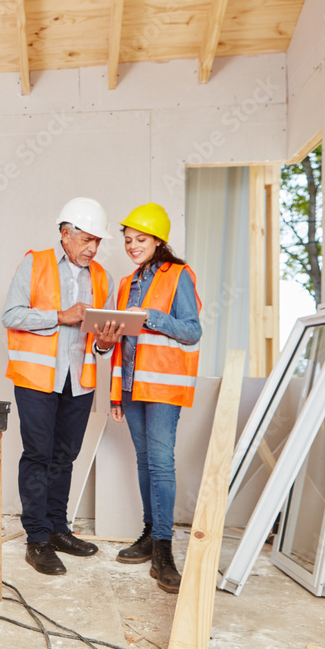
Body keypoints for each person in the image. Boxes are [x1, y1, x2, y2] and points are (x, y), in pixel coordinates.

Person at [2, 197, 123, 575]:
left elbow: (102, 345)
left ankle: (57, 529)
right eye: (86, 239)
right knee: (38, 456)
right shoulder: (34, 263)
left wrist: (105, 341)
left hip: (80, 380)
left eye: (97, 242)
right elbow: (10, 314)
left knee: (65, 457)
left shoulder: (102, 278)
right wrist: (60, 316)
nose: (92, 248)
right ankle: (36, 539)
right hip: (38, 379)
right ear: (65, 234)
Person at [109, 203, 202, 594]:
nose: (132, 246)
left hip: (163, 387)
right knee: (146, 463)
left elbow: (192, 331)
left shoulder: (178, 275)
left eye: (140, 239)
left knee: (162, 465)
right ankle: (149, 534)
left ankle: (164, 550)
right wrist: (116, 390)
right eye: (128, 240)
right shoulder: (125, 283)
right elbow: (121, 344)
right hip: (131, 387)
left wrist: (150, 316)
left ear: (158, 240)